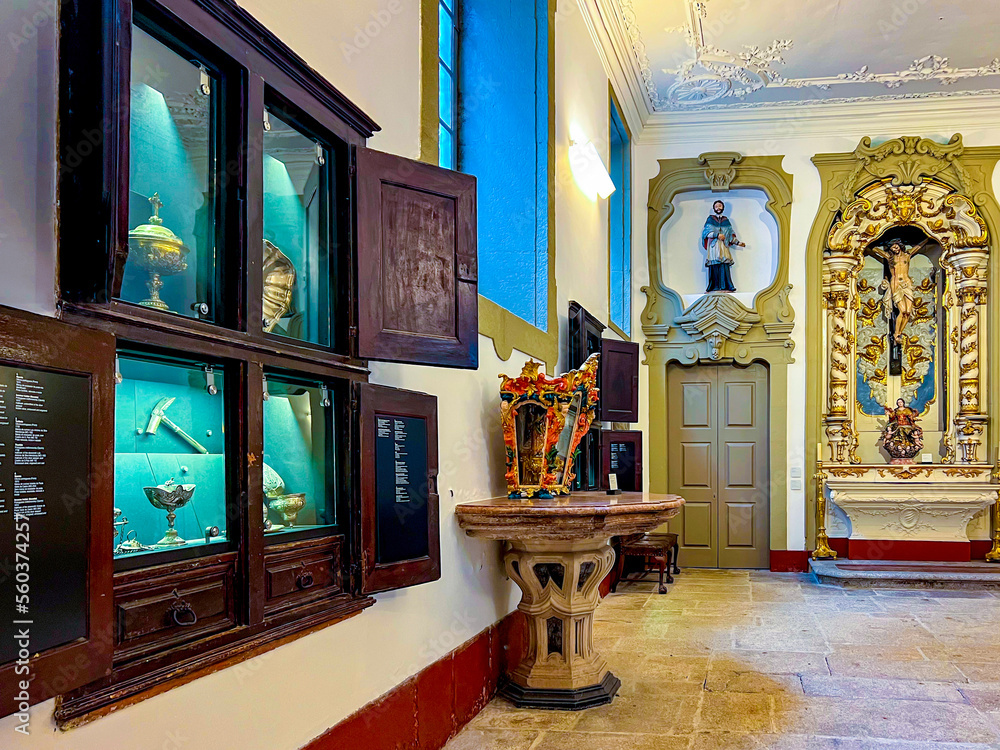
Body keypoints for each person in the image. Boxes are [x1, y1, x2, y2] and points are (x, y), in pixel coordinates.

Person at [701, 199, 744, 293]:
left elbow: (730, 234)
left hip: (723, 246)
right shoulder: (710, 219)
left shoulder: (726, 221)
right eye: (716, 206)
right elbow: (706, 233)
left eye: (720, 206)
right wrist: (717, 235)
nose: (718, 208)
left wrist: (738, 243)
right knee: (714, 265)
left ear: (723, 208)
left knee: (724, 265)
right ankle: (713, 287)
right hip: (714, 246)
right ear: (714, 208)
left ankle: (726, 286)